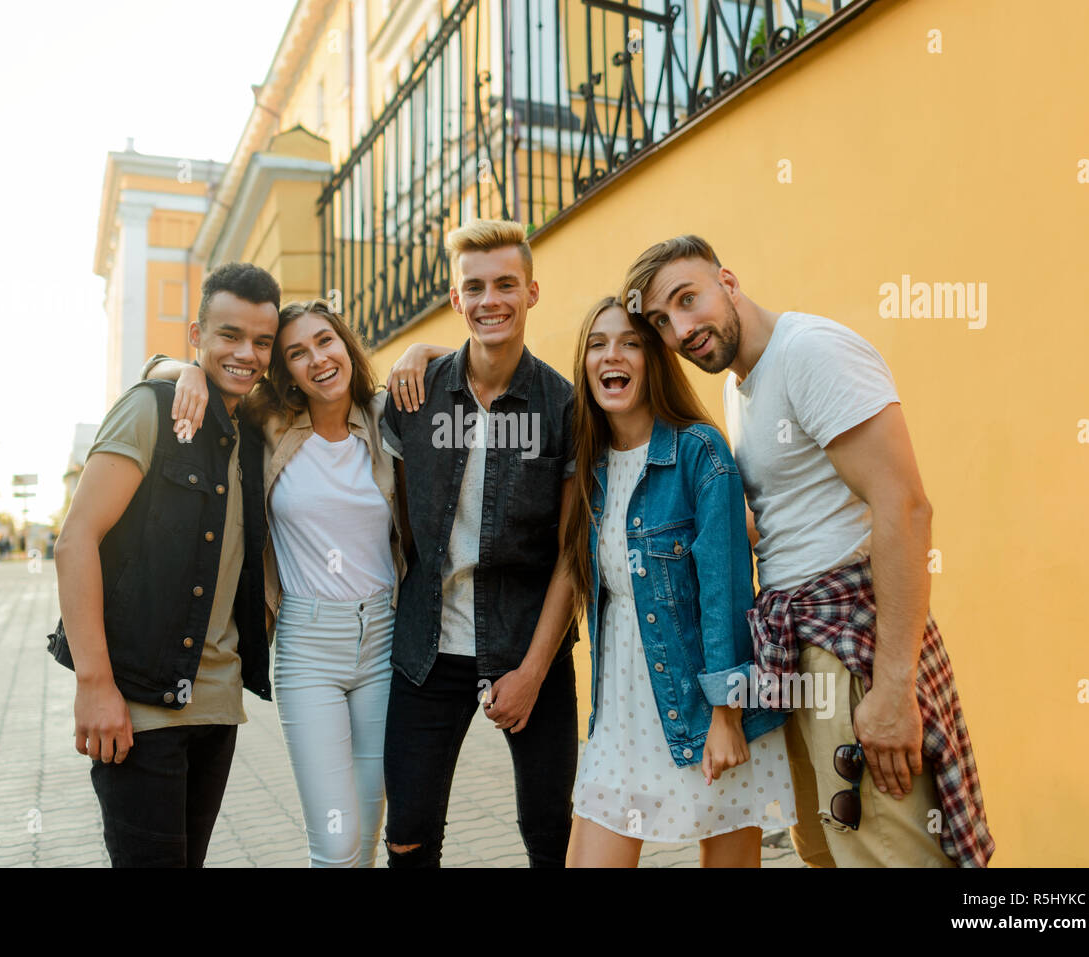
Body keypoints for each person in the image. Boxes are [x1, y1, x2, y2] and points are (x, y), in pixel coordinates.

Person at [622, 235, 994, 867]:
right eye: (661, 321)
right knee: (827, 850)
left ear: (728, 282)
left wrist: (893, 689)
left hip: (850, 648)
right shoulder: (742, 389)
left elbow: (904, 507)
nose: (681, 329)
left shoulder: (810, 352)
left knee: (884, 853)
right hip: (795, 652)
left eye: (688, 300)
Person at [143, 298, 417, 867]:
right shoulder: (264, 425)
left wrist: (420, 348)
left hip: (384, 641)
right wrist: (189, 370)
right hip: (308, 647)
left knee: (366, 831)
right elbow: (153, 370)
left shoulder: (386, 416)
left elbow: (470, 374)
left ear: (345, 343)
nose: (317, 359)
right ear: (285, 372)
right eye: (296, 353)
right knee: (336, 841)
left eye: (325, 341)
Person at [48, 261, 280, 867]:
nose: (246, 354)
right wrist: (94, 684)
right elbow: (76, 542)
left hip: (216, 705)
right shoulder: (151, 410)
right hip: (138, 704)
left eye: (262, 341)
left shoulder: (248, 431)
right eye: (229, 335)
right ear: (196, 335)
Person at [559, 296, 795, 867]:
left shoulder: (699, 453)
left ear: (653, 360)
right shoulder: (589, 465)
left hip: (705, 701)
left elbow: (726, 594)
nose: (611, 355)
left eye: (630, 342)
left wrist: (726, 714)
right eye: (597, 343)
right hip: (619, 710)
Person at [379, 219, 578, 867]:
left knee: (550, 830)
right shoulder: (416, 394)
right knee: (408, 834)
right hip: (426, 648)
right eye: (475, 287)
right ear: (456, 299)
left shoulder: (562, 408)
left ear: (532, 292)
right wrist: (416, 352)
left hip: (529, 644)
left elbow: (574, 554)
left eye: (505, 284)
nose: (490, 299)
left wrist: (534, 672)